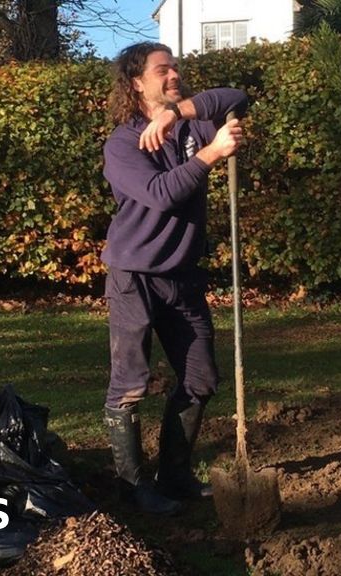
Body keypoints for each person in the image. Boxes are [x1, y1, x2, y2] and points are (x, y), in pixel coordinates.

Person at [101, 42, 248, 515]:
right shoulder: (122, 144)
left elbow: (237, 97)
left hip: (181, 276)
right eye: (161, 70)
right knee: (130, 382)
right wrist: (211, 154)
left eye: (175, 68)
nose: (173, 75)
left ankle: (176, 476)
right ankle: (132, 487)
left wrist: (177, 114)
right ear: (136, 83)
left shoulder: (189, 126)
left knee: (201, 375)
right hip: (134, 275)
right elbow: (161, 194)